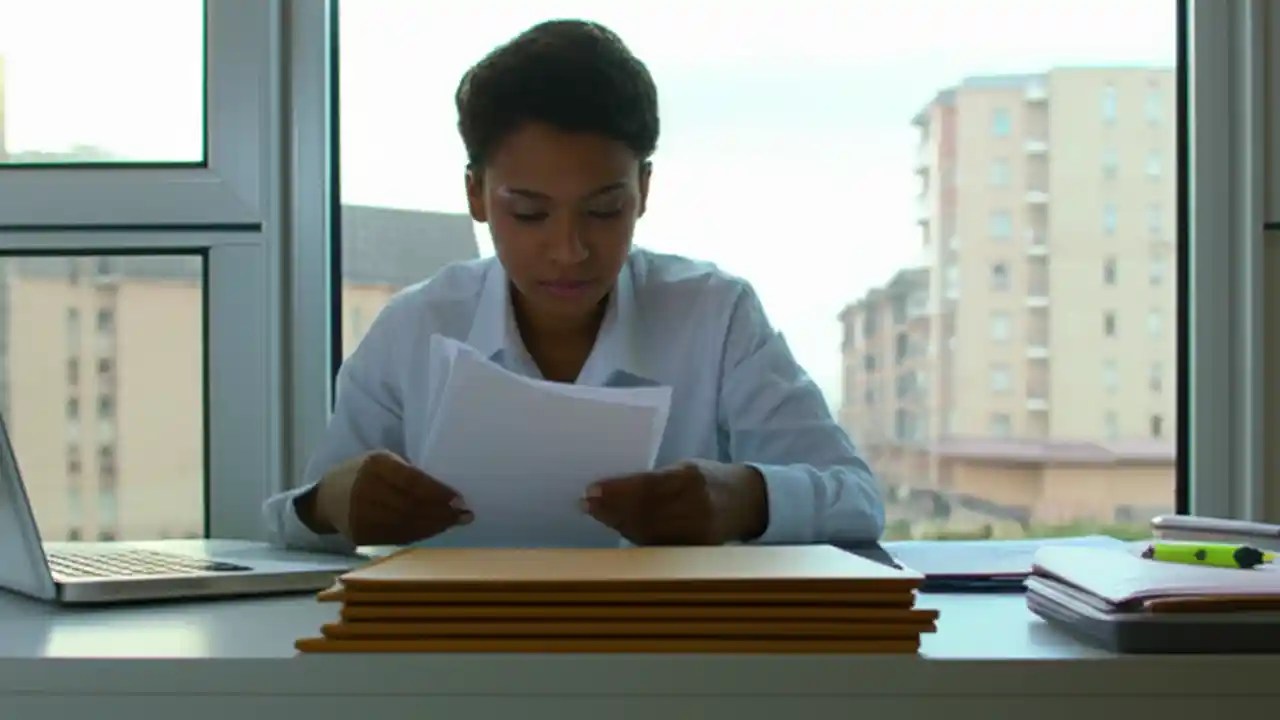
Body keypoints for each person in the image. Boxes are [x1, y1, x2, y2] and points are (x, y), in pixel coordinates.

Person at [262, 19, 884, 554]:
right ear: (475, 193)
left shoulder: (715, 316)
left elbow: (857, 500)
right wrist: (334, 504)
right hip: (456, 664)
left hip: (675, 665)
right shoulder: (415, 328)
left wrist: (744, 498)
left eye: (605, 209)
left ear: (644, 188)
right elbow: (298, 524)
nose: (569, 250)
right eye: (529, 213)